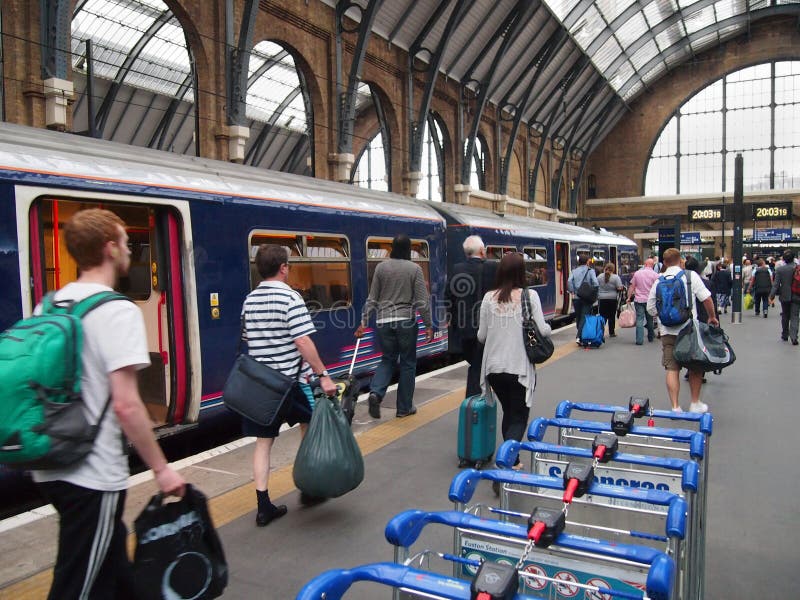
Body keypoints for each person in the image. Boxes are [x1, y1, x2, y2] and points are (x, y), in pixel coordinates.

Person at [32, 209, 186, 599]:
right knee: (77, 583)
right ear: (109, 248)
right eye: (125, 242)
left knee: (113, 566)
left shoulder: (50, 306)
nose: (129, 250)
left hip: (52, 459)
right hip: (92, 471)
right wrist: (162, 469)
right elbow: (127, 406)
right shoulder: (117, 311)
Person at [242, 244, 337, 525]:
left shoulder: (250, 300)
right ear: (283, 268)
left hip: (261, 385)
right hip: (291, 382)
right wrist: (323, 375)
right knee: (310, 427)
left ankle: (263, 506)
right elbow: (302, 341)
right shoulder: (290, 298)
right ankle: (308, 489)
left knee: (263, 443)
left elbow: (248, 339)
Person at [477, 253, 551, 461]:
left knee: (509, 413)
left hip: (493, 369)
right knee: (519, 418)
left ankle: (513, 461)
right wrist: (547, 329)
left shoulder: (488, 298)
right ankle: (506, 463)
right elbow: (542, 330)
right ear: (522, 272)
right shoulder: (530, 296)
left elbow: (481, 336)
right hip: (518, 368)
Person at [356, 234, 433, 418]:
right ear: (408, 250)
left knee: (388, 359)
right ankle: (404, 408)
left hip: (383, 321)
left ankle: (376, 393)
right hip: (406, 320)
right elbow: (422, 300)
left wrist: (364, 322)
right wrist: (429, 324)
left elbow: (372, 297)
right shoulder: (414, 269)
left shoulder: (381, 268)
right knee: (407, 363)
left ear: (392, 248)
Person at [647, 248, 719, 413]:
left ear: (664, 263)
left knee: (672, 369)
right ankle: (695, 403)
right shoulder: (690, 276)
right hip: (689, 330)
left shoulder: (659, 280)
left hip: (667, 331)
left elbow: (650, 308)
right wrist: (712, 317)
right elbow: (706, 298)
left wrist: (665, 316)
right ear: (680, 260)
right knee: (695, 366)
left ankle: (675, 406)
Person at [446, 235, 495, 398]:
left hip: (465, 328)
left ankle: (476, 399)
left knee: (475, 362)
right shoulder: (492, 268)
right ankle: (475, 401)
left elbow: (448, 297)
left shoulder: (456, 269)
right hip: (488, 327)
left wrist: (451, 318)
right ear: (482, 251)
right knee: (478, 365)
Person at [626, 257, 660, 345]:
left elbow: (632, 286)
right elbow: (658, 288)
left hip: (639, 300)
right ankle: (651, 337)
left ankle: (639, 340)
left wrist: (629, 297)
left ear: (645, 265)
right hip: (650, 301)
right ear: (653, 265)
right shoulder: (655, 275)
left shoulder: (637, 273)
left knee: (639, 319)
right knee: (650, 319)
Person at [769, 251, 800, 345]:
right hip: (797, 295)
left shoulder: (780, 270)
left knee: (785, 316)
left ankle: (785, 334)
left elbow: (776, 284)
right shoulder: (797, 268)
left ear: (784, 259)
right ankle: (794, 337)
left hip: (785, 295)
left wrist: (771, 295)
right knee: (795, 316)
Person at [567, 254, 599, 344]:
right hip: (587, 298)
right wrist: (592, 291)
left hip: (577, 297)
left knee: (578, 317)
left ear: (579, 261)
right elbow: (596, 283)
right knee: (584, 317)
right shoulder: (591, 271)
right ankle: (579, 336)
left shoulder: (573, 271)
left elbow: (569, 281)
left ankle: (580, 335)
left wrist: (572, 291)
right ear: (587, 261)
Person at [597, 262, 624, 337]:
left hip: (602, 299)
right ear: (613, 269)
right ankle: (611, 332)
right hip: (612, 299)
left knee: (602, 316)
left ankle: (601, 332)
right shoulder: (616, 277)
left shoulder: (599, 276)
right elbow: (619, 287)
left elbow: (596, 285)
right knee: (611, 316)